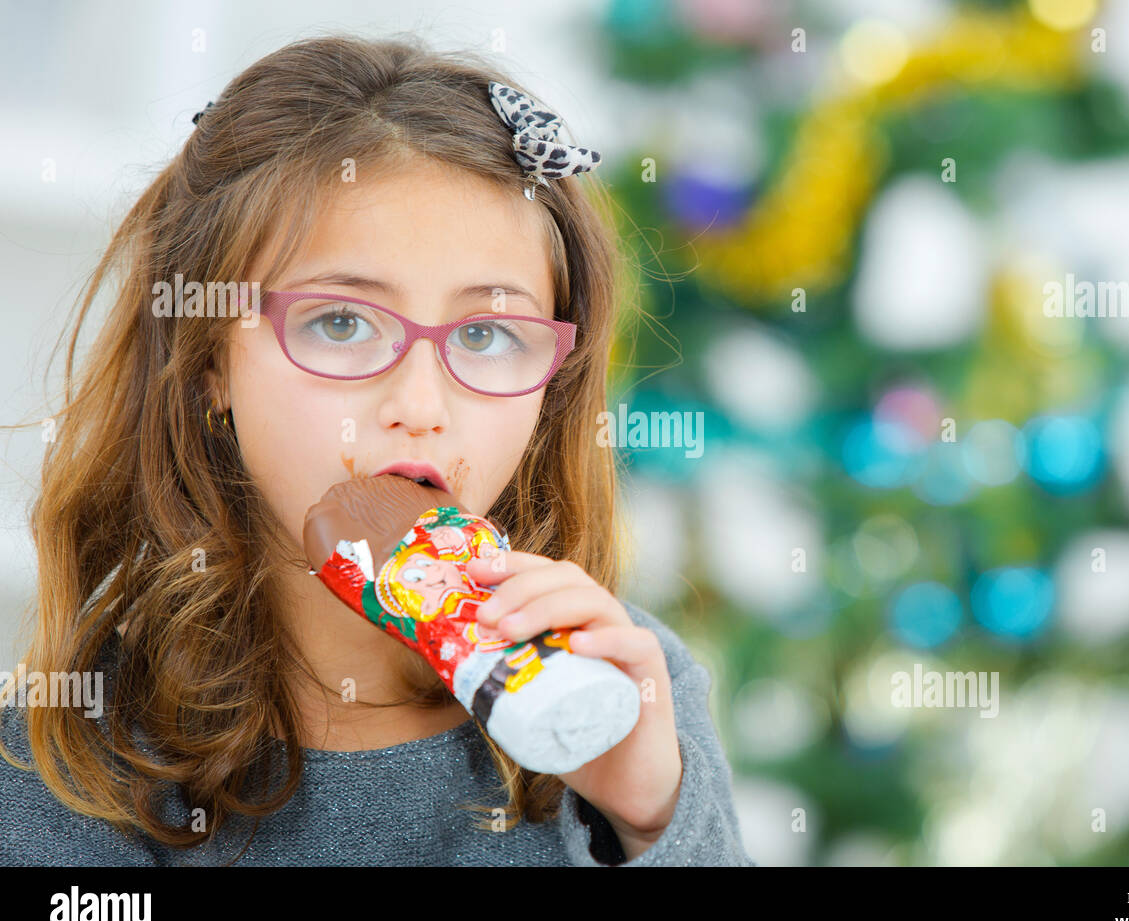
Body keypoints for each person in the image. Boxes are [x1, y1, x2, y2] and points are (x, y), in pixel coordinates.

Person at [0, 33, 755, 867]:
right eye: (341, 323)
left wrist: (654, 822)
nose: (420, 407)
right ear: (210, 357)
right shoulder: (74, 753)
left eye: (487, 332)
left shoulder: (621, 681)